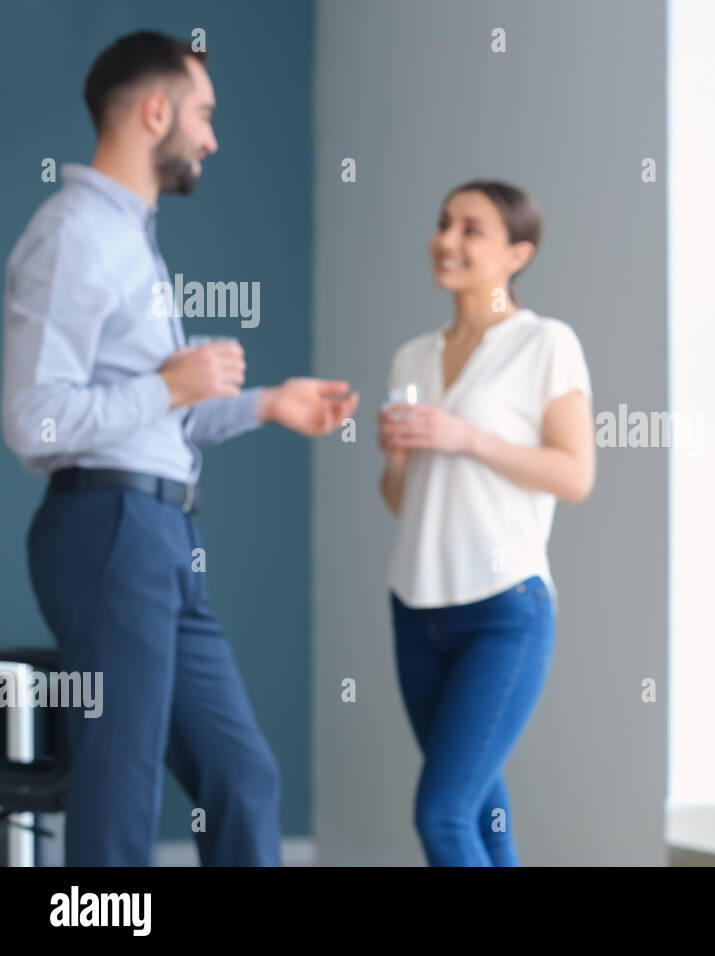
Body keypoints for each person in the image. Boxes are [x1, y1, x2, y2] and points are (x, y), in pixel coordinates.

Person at [1, 31, 358, 866]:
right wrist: (171, 385)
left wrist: (265, 403)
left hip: (160, 534)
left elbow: (162, 419)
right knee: (120, 790)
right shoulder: (75, 233)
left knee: (244, 776)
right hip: (107, 529)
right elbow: (32, 419)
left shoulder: (134, 240)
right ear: (155, 109)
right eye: (203, 113)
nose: (212, 138)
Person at [378, 181, 595, 866]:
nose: (448, 241)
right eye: (444, 224)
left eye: (472, 229)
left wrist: (465, 436)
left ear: (516, 253)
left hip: (504, 609)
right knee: (484, 820)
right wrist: (399, 456)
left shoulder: (545, 344)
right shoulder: (411, 357)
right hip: (415, 607)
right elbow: (397, 498)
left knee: (441, 817)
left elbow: (574, 475)